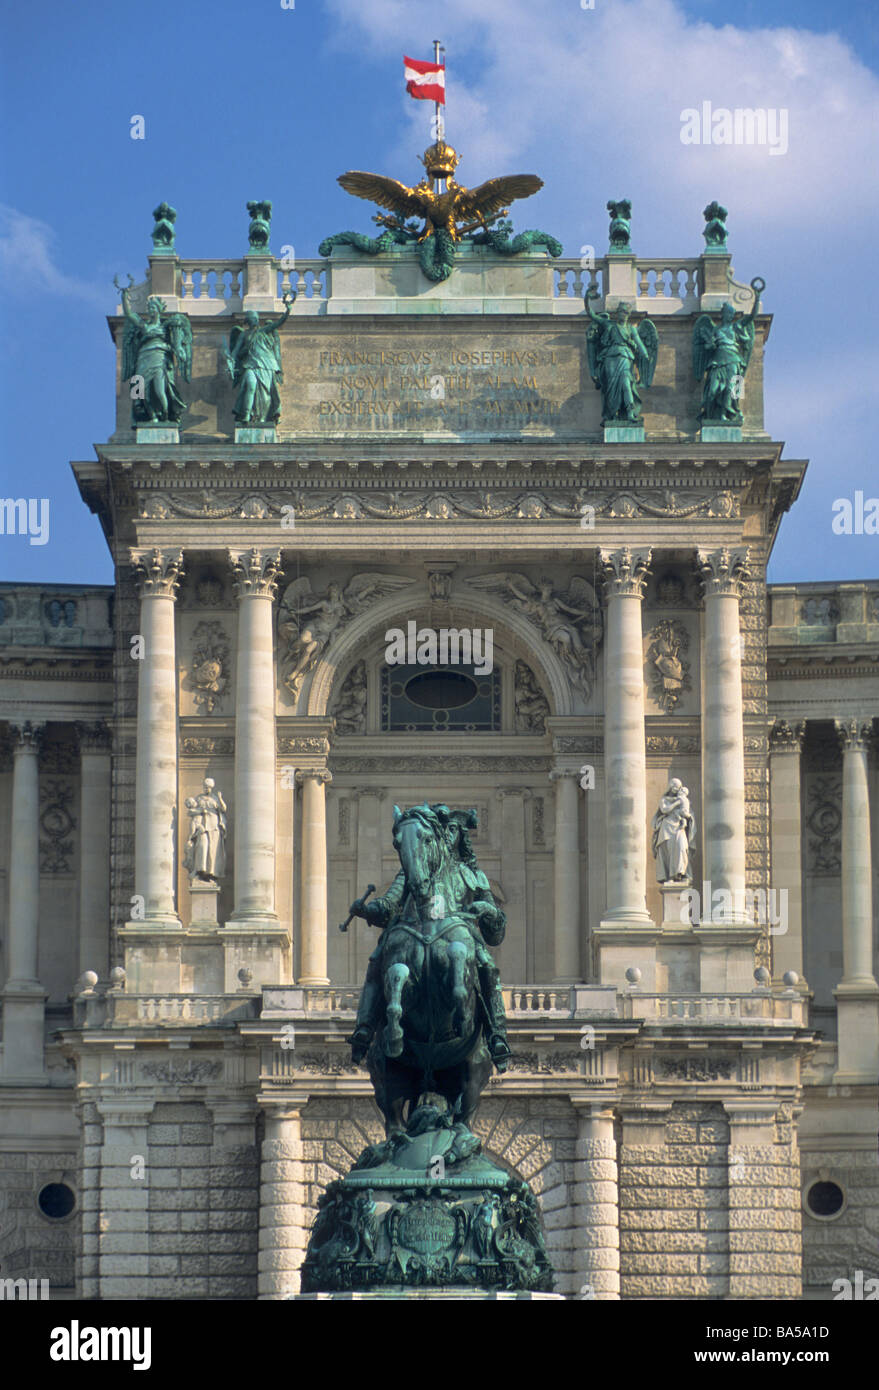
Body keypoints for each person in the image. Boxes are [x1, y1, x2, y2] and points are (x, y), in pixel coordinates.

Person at [651, 778, 695, 883]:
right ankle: (670, 877)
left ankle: (681, 873)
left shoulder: (683, 800)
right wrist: (677, 803)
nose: (678, 789)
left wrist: (687, 817)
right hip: (666, 828)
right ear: (670, 787)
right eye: (676, 786)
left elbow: (688, 813)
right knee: (668, 852)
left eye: (679, 787)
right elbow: (665, 809)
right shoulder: (664, 800)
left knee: (681, 847)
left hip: (679, 827)